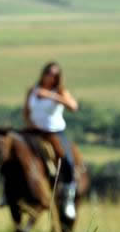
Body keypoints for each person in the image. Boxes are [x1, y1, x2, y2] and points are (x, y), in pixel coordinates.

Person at [23, 61, 80, 219]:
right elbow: (26, 112)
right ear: (43, 73)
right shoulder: (32, 91)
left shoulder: (60, 92)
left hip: (54, 132)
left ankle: (69, 199)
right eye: (49, 73)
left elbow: (73, 107)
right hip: (34, 131)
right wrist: (30, 124)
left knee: (67, 160)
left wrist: (52, 96)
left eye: (55, 75)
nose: (51, 77)